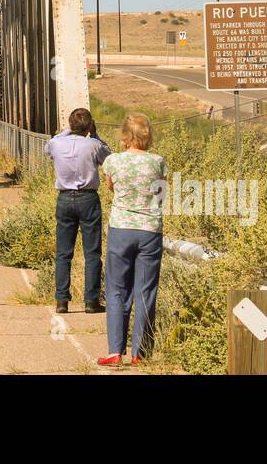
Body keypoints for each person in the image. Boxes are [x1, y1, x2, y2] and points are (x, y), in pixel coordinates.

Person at [98, 113, 167, 367]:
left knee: (117, 290)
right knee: (146, 291)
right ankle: (140, 352)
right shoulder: (158, 162)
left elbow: (110, 187)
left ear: (124, 135)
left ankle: (116, 350)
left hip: (121, 229)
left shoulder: (113, 161)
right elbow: (162, 195)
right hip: (150, 230)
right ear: (148, 135)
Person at [45, 107, 111, 314]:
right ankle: (91, 301)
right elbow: (109, 159)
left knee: (64, 253)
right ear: (89, 126)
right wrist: (96, 134)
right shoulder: (93, 145)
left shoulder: (56, 143)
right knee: (92, 252)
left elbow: (48, 149)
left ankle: (61, 300)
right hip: (88, 199)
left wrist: (67, 130)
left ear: (70, 124)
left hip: (64, 198)